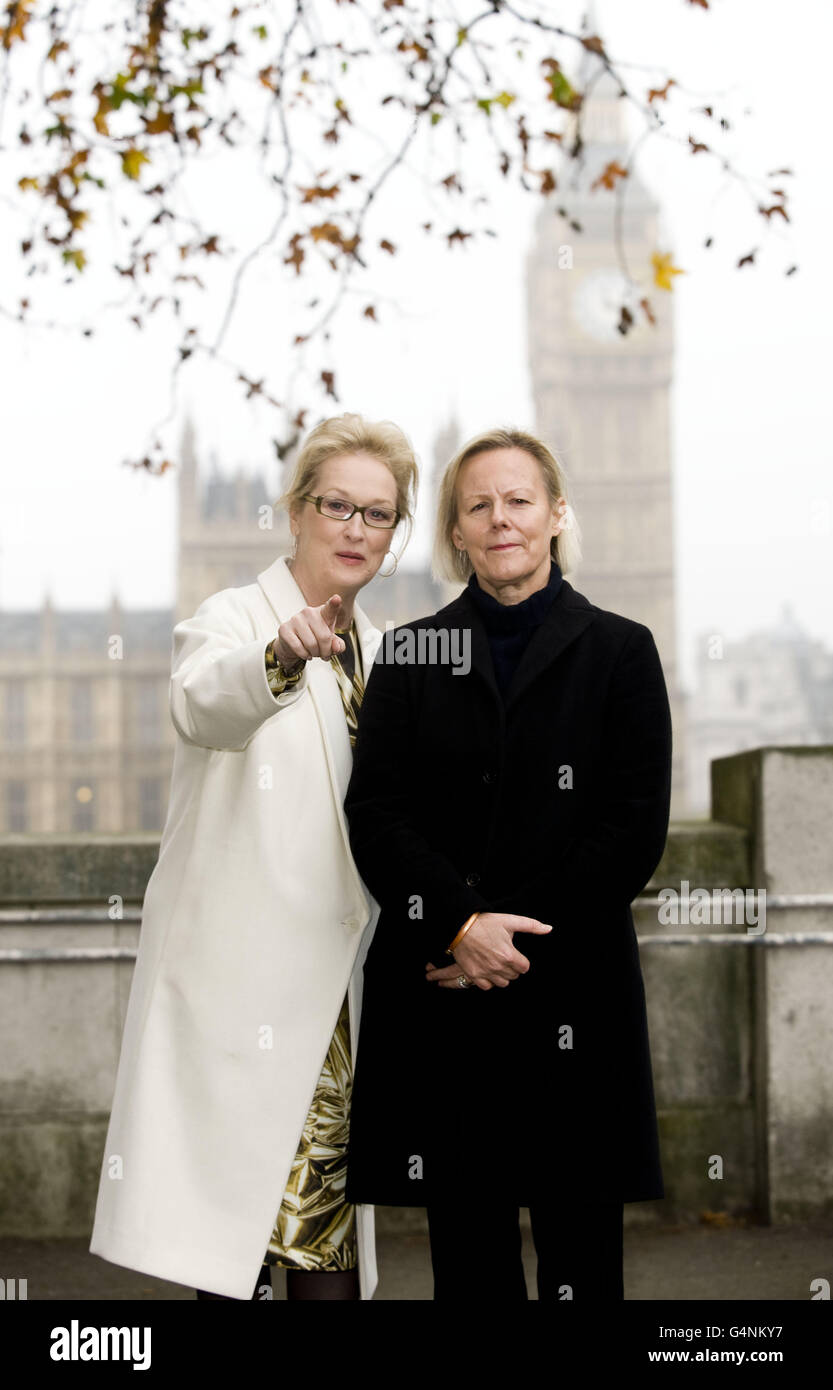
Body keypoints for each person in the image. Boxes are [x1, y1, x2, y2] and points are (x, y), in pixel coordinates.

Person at [89, 413, 418, 1300]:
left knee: (284, 1263)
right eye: (337, 505)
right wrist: (276, 657)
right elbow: (203, 704)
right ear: (295, 512)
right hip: (243, 992)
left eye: (378, 515)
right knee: (264, 1266)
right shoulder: (230, 618)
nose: (355, 528)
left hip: (333, 1000)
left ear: (396, 534)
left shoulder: (383, 649)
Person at [343, 426, 673, 1301]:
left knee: (583, 1266)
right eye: (477, 506)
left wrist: (506, 936)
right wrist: (458, 919)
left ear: (556, 514)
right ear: (455, 532)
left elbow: (632, 830)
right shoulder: (410, 653)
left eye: (519, 500)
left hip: (574, 997)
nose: (501, 520)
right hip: (450, 1003)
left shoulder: (620, 650)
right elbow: (375, 815)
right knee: (471, 1271)